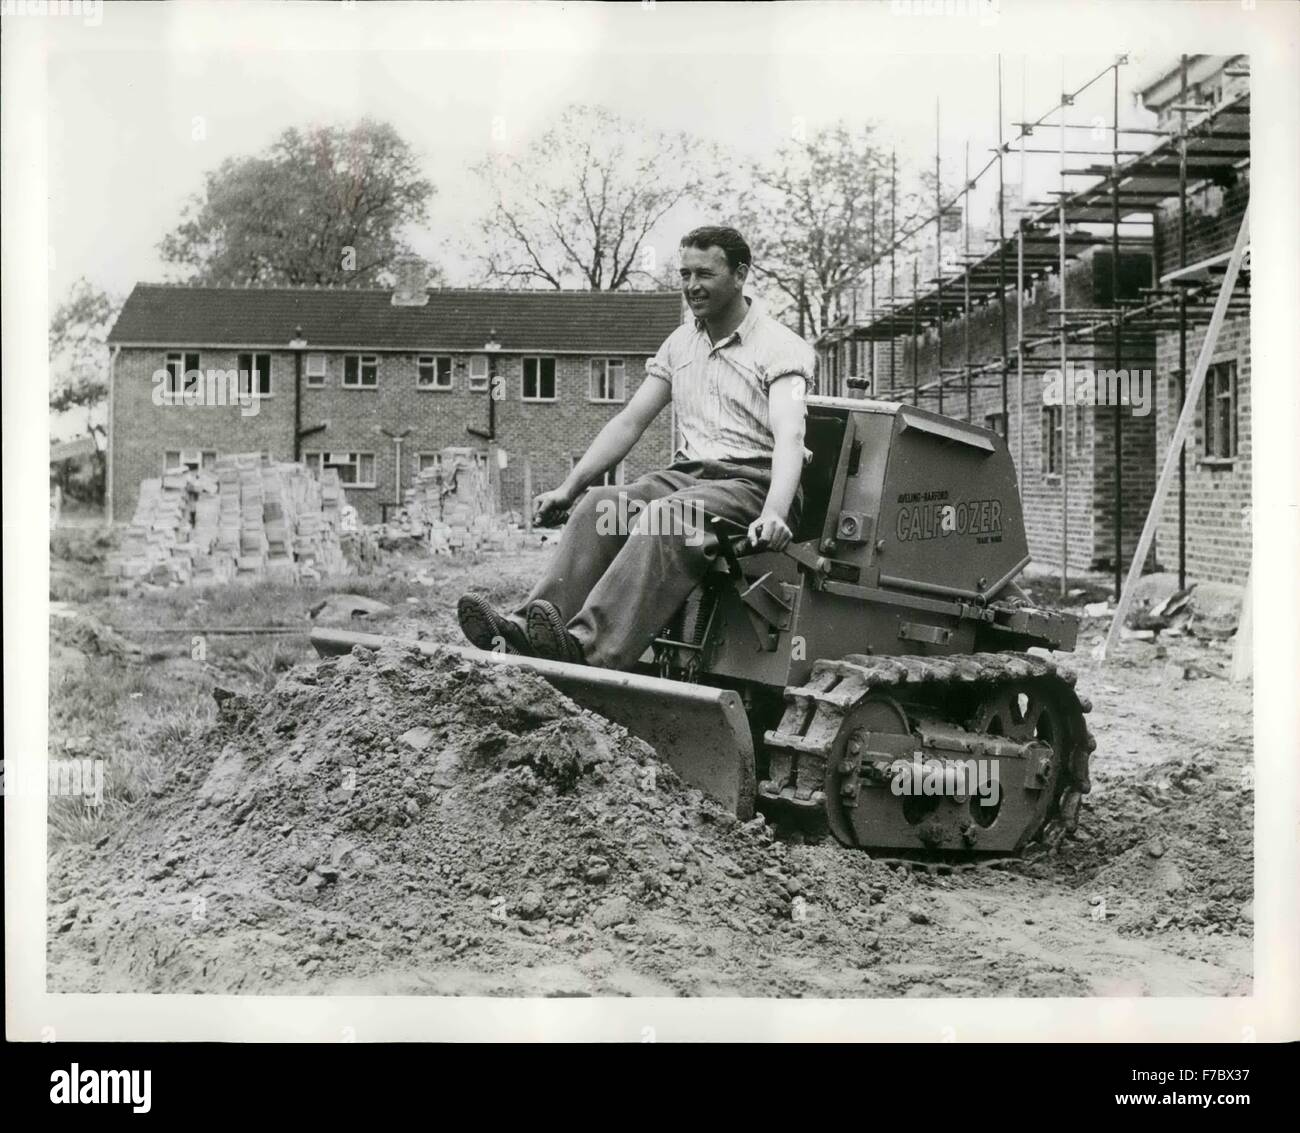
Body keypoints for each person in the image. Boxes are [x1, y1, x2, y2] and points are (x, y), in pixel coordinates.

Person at [457, 225, 814, 670]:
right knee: (602, 507)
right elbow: (629, 422)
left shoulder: (782, 349)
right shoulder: (681, 343)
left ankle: (589, 649)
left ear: (740, 275)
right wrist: (570, 489)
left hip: (754, 487)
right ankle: (528, 632)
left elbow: (790, 434)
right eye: (683, 274)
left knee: (667, 518)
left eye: (704, 274)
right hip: (690, 480)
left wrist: (775, 512)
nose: (691, 286)